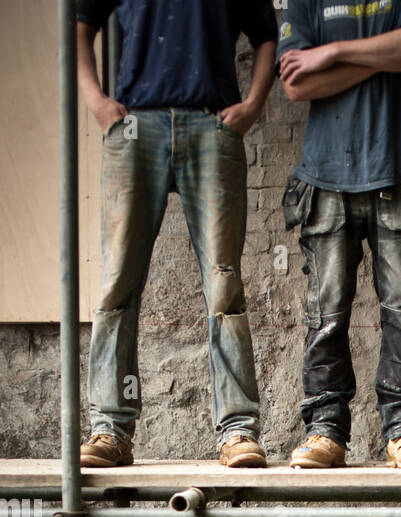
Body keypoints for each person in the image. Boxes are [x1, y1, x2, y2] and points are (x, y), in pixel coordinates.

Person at [76, 0, 277, 470]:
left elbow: (268, 33)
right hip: (134, 128)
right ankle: (110, 428)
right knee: (117, 284)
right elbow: (80, 23)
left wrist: (253, 104)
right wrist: (95, 100)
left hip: (211, 124)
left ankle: (237, 430)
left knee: (223, 284)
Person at [277, 1, 401, 470]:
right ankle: (326, 430)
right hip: (325, 180)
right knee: (325, 318)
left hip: (397, 172)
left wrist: (332, 54)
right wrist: (383, 56)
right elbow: (296, 83)